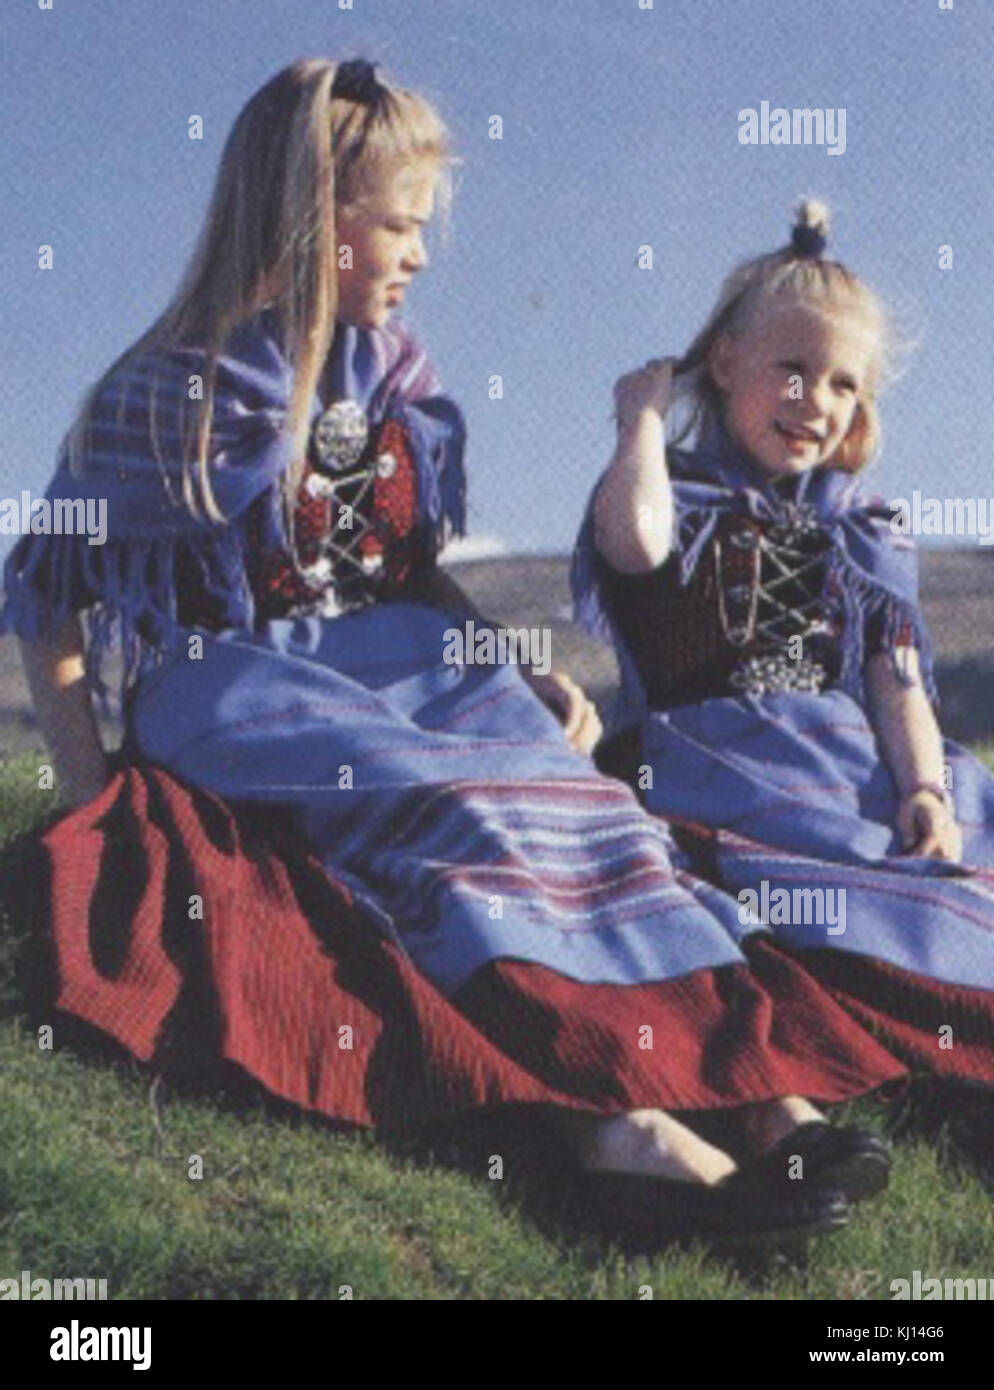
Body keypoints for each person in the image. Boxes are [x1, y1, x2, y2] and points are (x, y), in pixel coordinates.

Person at [0, 73, 907, 1247]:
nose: (421, 251)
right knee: (451, 815)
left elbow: (407, 566)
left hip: (409, 658)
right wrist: (92, 798)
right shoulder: (169, 393)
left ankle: (764, 1102)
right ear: (315, 221)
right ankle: (618, 1132)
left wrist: (513, 661)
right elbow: (48, 599)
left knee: (587, 812)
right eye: (400, 222)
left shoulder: (395, 382)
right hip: (244, 681)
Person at [573, 198, 994, 1091]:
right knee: (852, 903)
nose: (818, 403)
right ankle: (941, 1038)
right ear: (725, 363)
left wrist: (923, 785)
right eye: (794, 370)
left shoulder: (861, 537)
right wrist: (641, 423)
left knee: (958, 860)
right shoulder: (672, 496)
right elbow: (636, 545)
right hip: (714, 761)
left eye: (845, 385)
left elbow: (898, 683)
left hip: (850, 758)